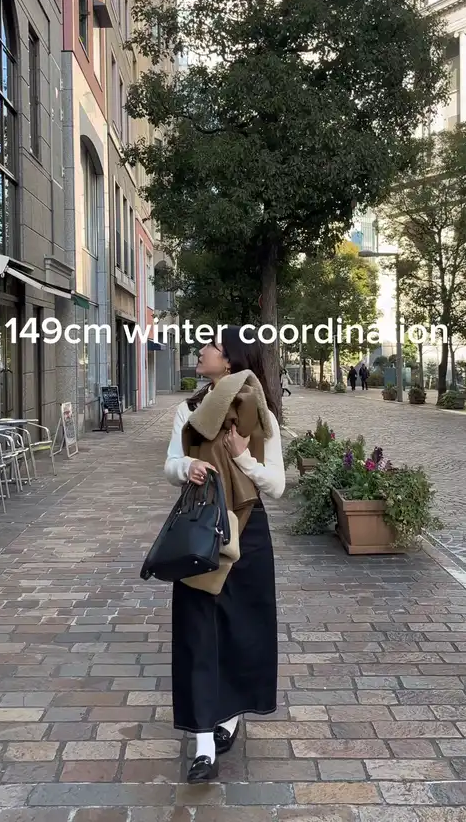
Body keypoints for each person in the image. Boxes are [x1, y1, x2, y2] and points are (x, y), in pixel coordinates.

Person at [164, 326, 285, 784]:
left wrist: (242, 458)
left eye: (211, 345)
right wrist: (188, 466)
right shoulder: (189, 411)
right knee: (196, 632)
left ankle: (229, 717)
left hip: (248, 531)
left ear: (230, 360)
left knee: (243, 631)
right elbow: (170, 465)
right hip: (200, 529)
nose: (201, 350)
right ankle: (203, 745)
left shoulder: (261, 416)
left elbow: (277, 484)